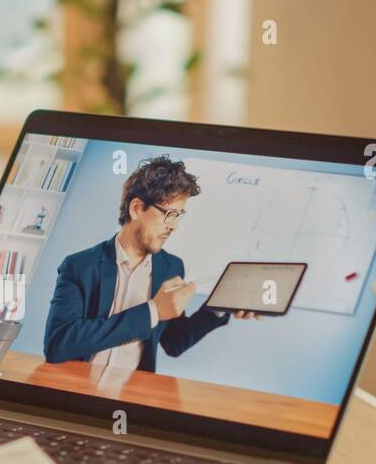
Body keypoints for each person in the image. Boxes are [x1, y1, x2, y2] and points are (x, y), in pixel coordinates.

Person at [43, 155, 257, 373]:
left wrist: (219, 307)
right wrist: (152, 311)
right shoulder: (80, 266)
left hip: (133, 395)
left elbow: (174, 342)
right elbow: (58, 344)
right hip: (78, 389)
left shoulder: (171, 267)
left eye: (179, 216)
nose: (174, 226)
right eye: (169, 214)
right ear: (136, 208)